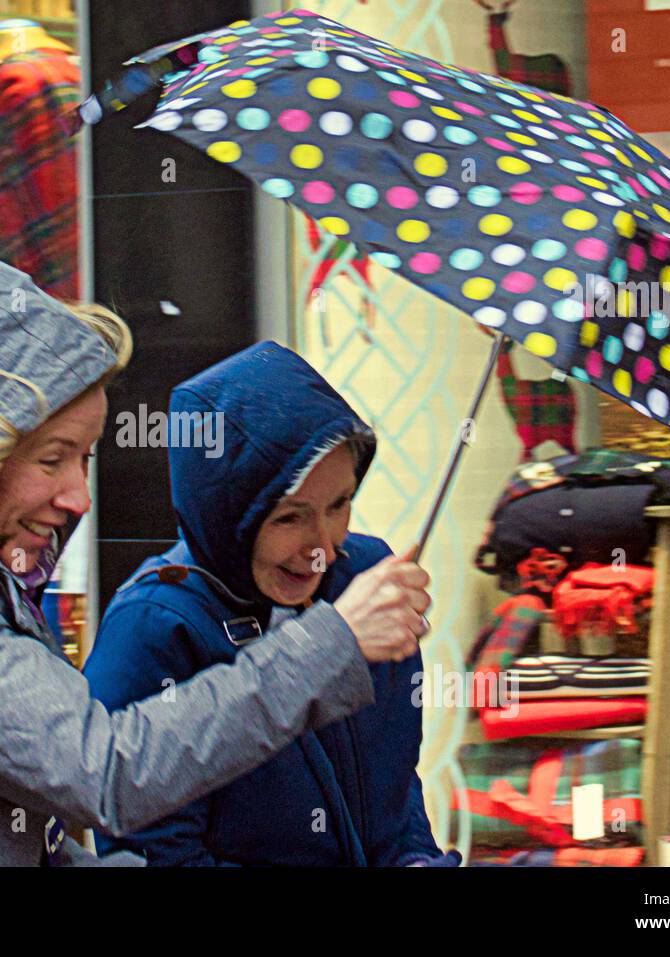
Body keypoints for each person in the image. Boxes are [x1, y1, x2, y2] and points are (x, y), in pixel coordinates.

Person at [0, 247, 432, 866]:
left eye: (85, 457)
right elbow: (109, 769)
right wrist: (331, 643)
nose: (78, 496)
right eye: (52, 458)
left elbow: (13, 826)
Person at [84, 342, 457, 866]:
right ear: (224, 510)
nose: (322, 547)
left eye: (340, 504)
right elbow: (154, 854)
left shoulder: (366, 577)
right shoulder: (154, 627)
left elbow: (395, 792)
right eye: (289, 517)